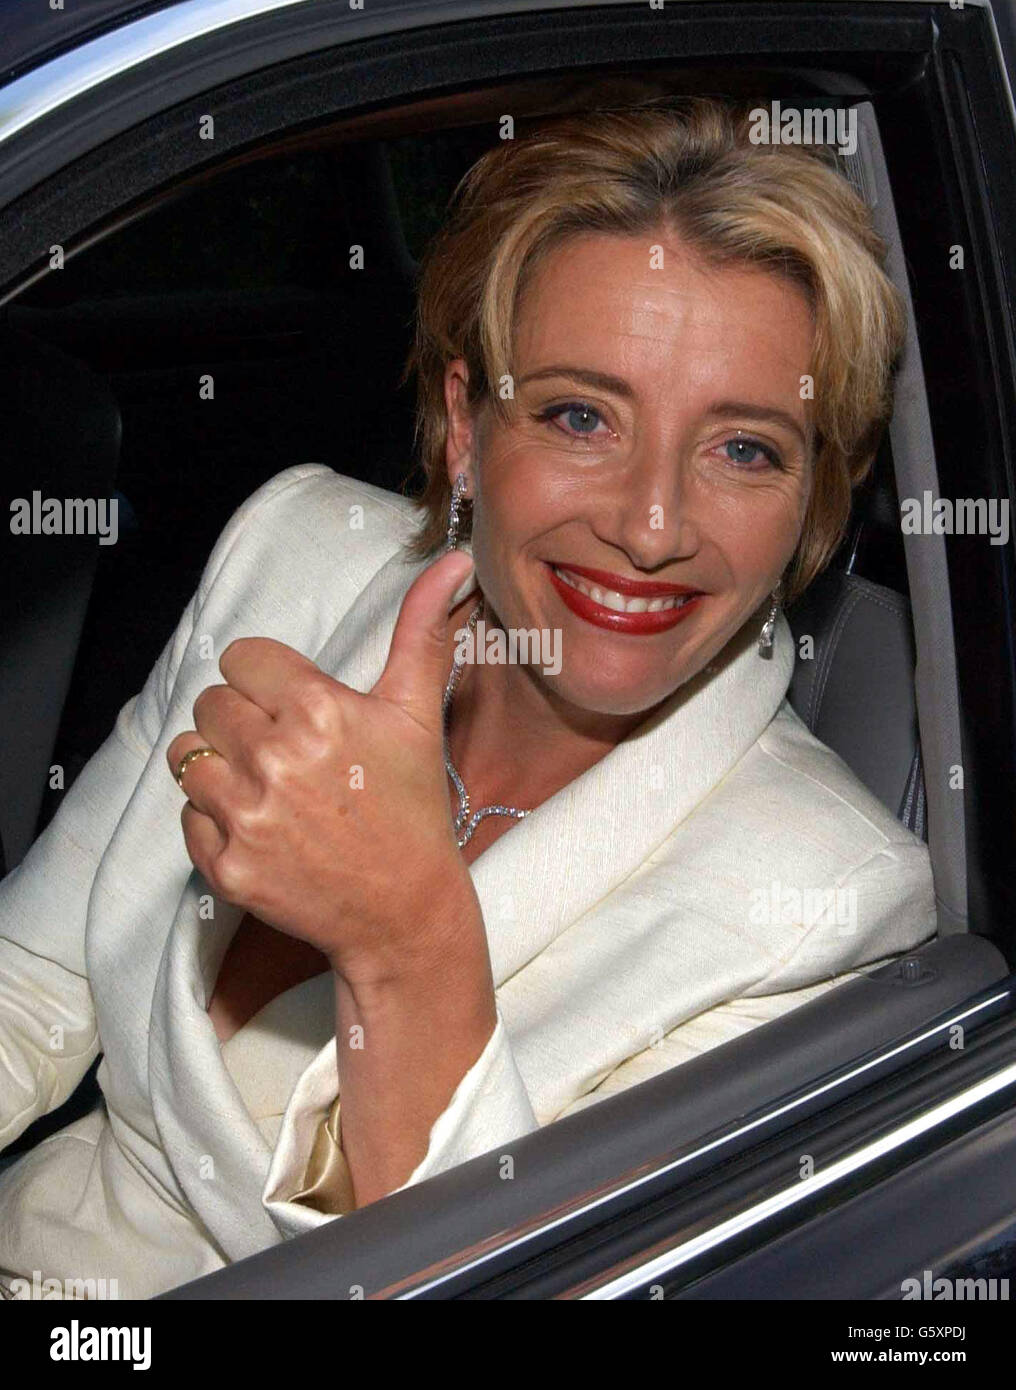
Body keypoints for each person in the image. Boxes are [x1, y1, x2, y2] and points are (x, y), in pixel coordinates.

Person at [0, 97, 936, 1300]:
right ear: (462, 424)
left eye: (742, 447)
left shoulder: (819, 902)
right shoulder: (294, 552)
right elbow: (35, 983)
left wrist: (406, 941)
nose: (649, 525)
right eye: (578, 415)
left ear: (811, 498)